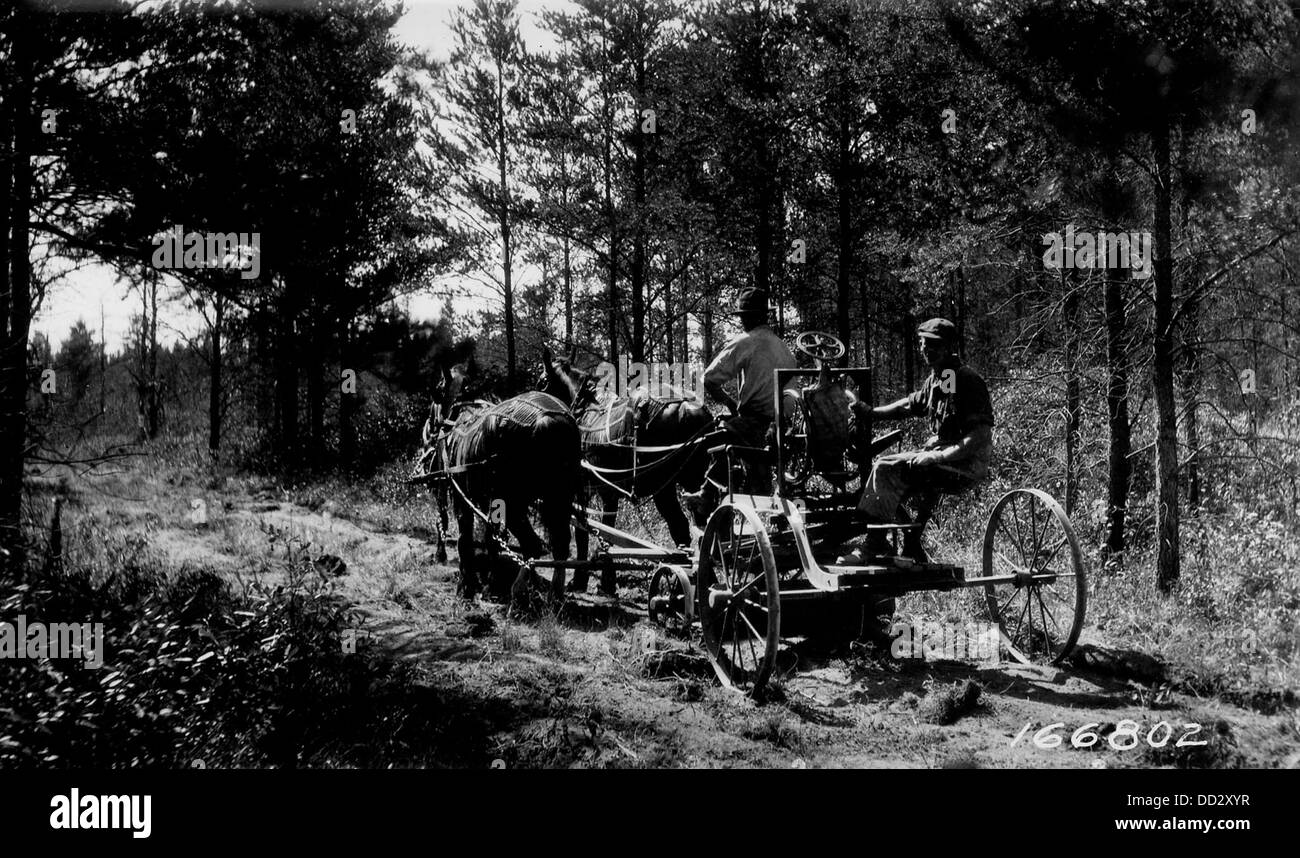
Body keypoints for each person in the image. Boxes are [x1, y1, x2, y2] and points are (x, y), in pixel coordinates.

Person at [840, 317, 994, 563]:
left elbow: (980, 436)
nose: (926, 350)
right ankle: (911, 544)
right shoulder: (943, 378)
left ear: (948, 348)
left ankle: (874, 545)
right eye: (924, 344)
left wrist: (940, 455)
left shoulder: (966, 380)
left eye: (934, 345)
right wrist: (872, 413)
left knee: (884, 468)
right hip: (947, 460)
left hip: (964, 465)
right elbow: (911, 405)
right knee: (897, 470)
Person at [699, 286, 799, 491]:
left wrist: (729, 403)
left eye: (743, 317)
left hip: (757, 424)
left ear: (747, 318)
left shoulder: (746, 342)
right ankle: (758, 486)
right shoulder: (783, 347)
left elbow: (708, 379)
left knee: (721, 432)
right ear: (765, 316)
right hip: (786, 427)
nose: (742, 322)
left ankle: (708, 492)